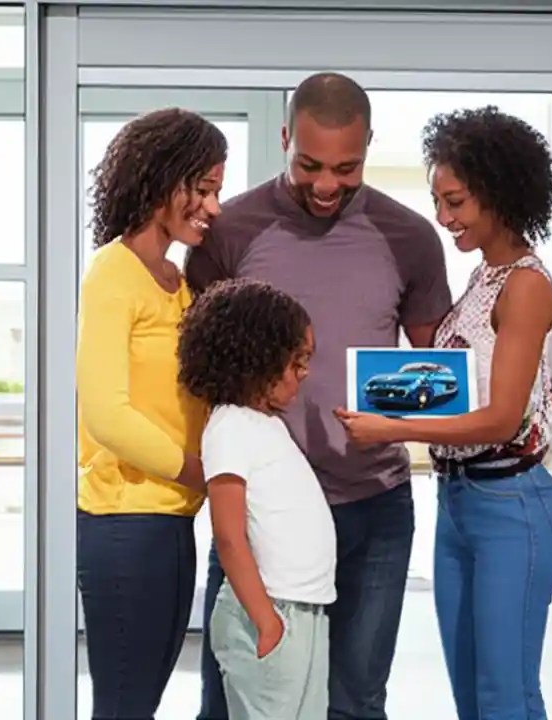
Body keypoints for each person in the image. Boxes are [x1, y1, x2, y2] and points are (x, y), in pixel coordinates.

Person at [185, 71, 451, 720]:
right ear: (284, 139)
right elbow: (199, 365)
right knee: (234, 700)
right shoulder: (230, 231)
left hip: (374, 507)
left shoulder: (410, 237)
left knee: (354, 704)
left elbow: (438, 377)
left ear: (367, 149)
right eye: (309, 165)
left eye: (346, 168)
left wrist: (399, 420)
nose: (327, 184)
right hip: (259, 517)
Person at [335, 106, 552, 720]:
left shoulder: (527, 285)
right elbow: (452, 385)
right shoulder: (481, 278)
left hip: (513, 507)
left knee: (505, 699)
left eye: (457, 202)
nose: (445, 219)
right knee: (472, 700)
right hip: (460, 503)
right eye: (439, 202)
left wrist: (393, 430)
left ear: (498, 191)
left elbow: (499, 419)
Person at [75, 107, 227, 719]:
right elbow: (105, 413)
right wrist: (197, 470)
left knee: (144, 702)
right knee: (124, 707)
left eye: (218, 191)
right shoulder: (113, 271)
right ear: (162, 178)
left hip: (171, 523)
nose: (213, 207)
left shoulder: (178, 280)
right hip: (124, 527)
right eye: (204, 188)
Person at [177, 278, 333, 720]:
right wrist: (265, 620)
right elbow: (228, 537)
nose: (304, 372)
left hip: (301, 611)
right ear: (258, 359)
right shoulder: (230, 427)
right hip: (267, 611)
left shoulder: (262, 424)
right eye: (297, 360)